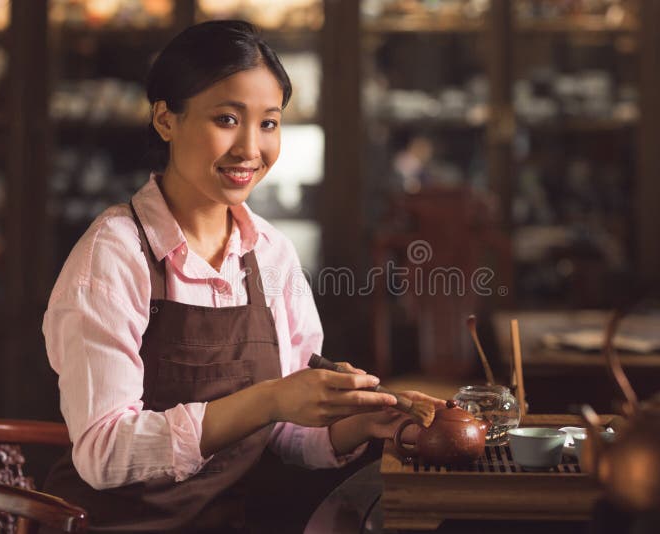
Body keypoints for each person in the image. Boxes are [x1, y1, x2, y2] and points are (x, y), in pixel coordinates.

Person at [42, 20, 439, 533]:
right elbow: (103, 453)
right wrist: (271, 397)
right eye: (227, 119)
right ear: (166, 119)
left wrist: (362, 423)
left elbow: (286, 433)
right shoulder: (115, 254)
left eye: (269, 123)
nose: (250, 149)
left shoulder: (272, 254)